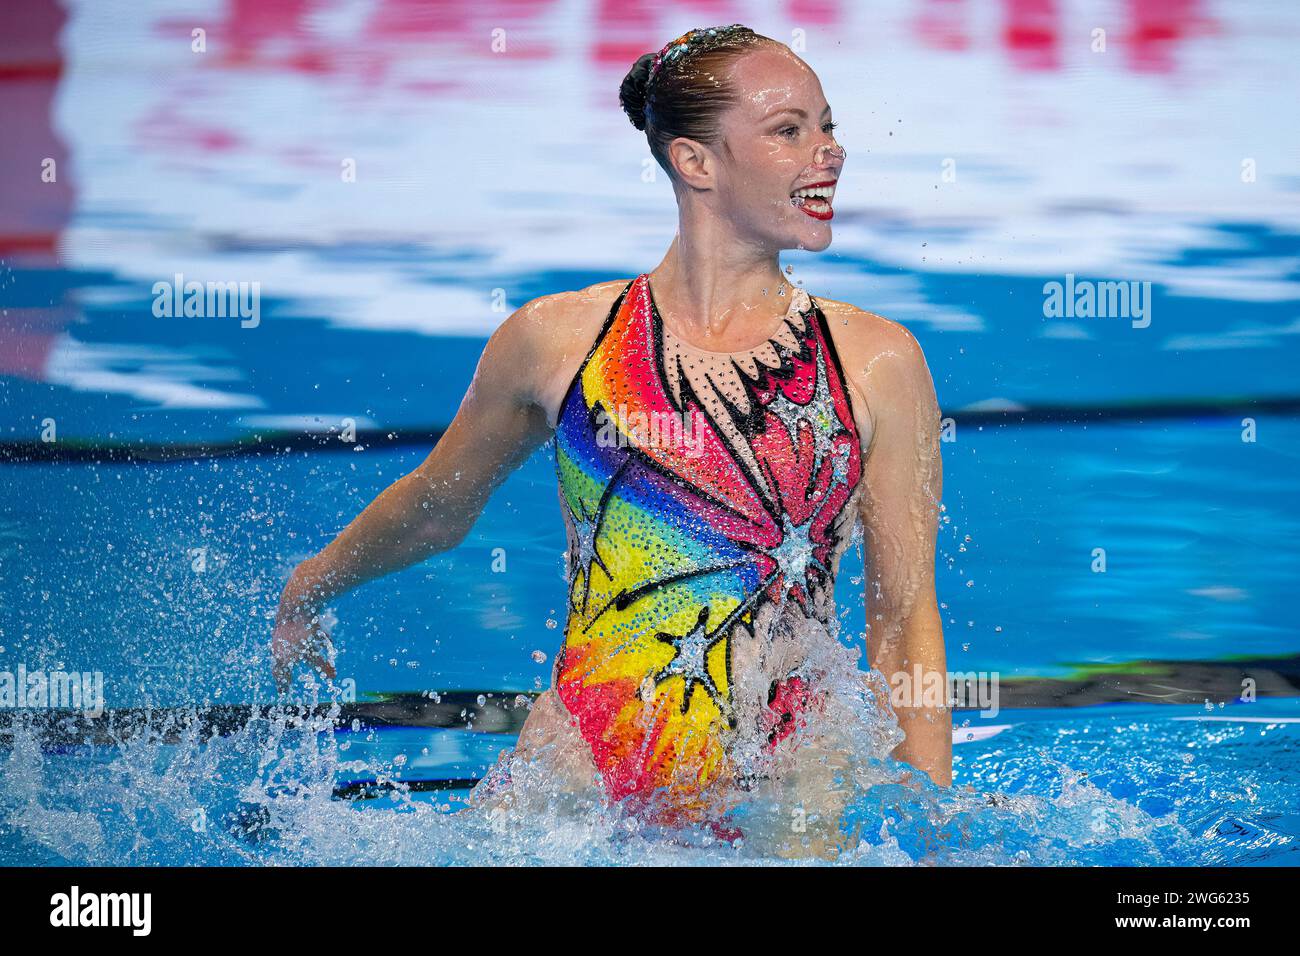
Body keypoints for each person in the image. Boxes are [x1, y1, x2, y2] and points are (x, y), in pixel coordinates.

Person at [272, 24, 950, 831]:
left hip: (788, 776)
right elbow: (437, 505)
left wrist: (931, 823)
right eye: (789, 130)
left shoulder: (875, 361)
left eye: (828, 125)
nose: (829, 152)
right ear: (697, 162)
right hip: (584, 769)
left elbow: (903, 616)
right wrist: (308, 586)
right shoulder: (559, 341)